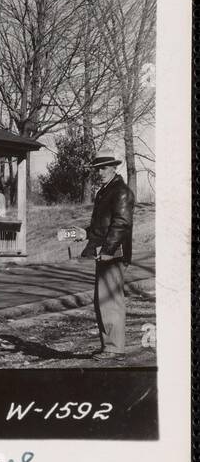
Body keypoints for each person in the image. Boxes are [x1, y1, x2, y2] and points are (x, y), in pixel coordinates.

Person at [80, 152, 134, 358]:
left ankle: (113, 348)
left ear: (114, 168)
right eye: (97, 169)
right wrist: (83, 233)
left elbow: (121, 224)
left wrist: (108, 251)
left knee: (110, 300)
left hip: (113, 255)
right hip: (105, 253)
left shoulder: (120, 192)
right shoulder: (106, 191)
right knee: (103, 300)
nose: (99, 172)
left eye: (103, 168)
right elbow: (103, 225)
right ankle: (109, 346)